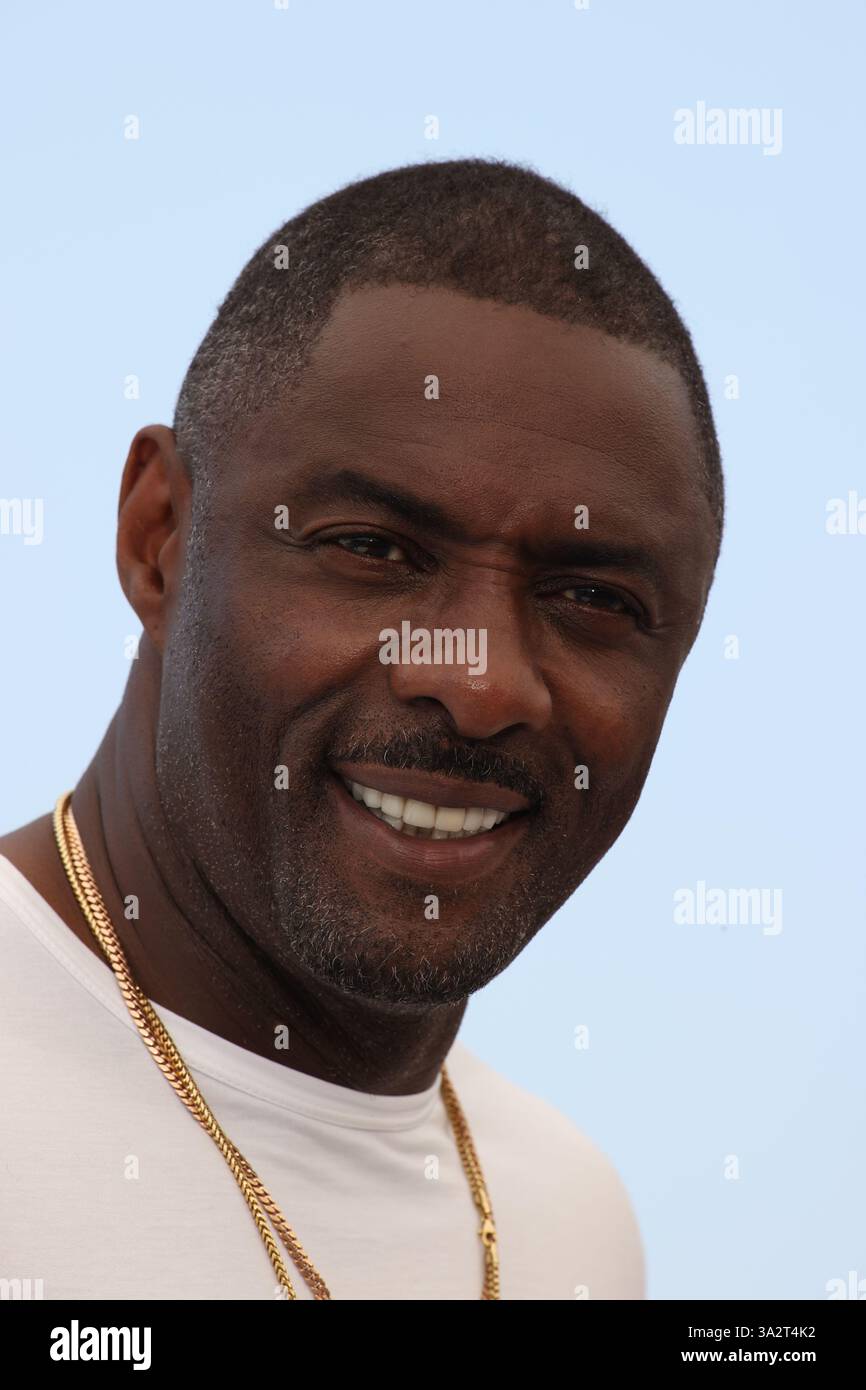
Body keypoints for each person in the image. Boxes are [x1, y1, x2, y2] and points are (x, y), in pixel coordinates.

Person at [0, 158, 722, 1301]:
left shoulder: (570, 1222)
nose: (479, 684)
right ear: (159, 537)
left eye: (592, 598)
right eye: (373, 547)